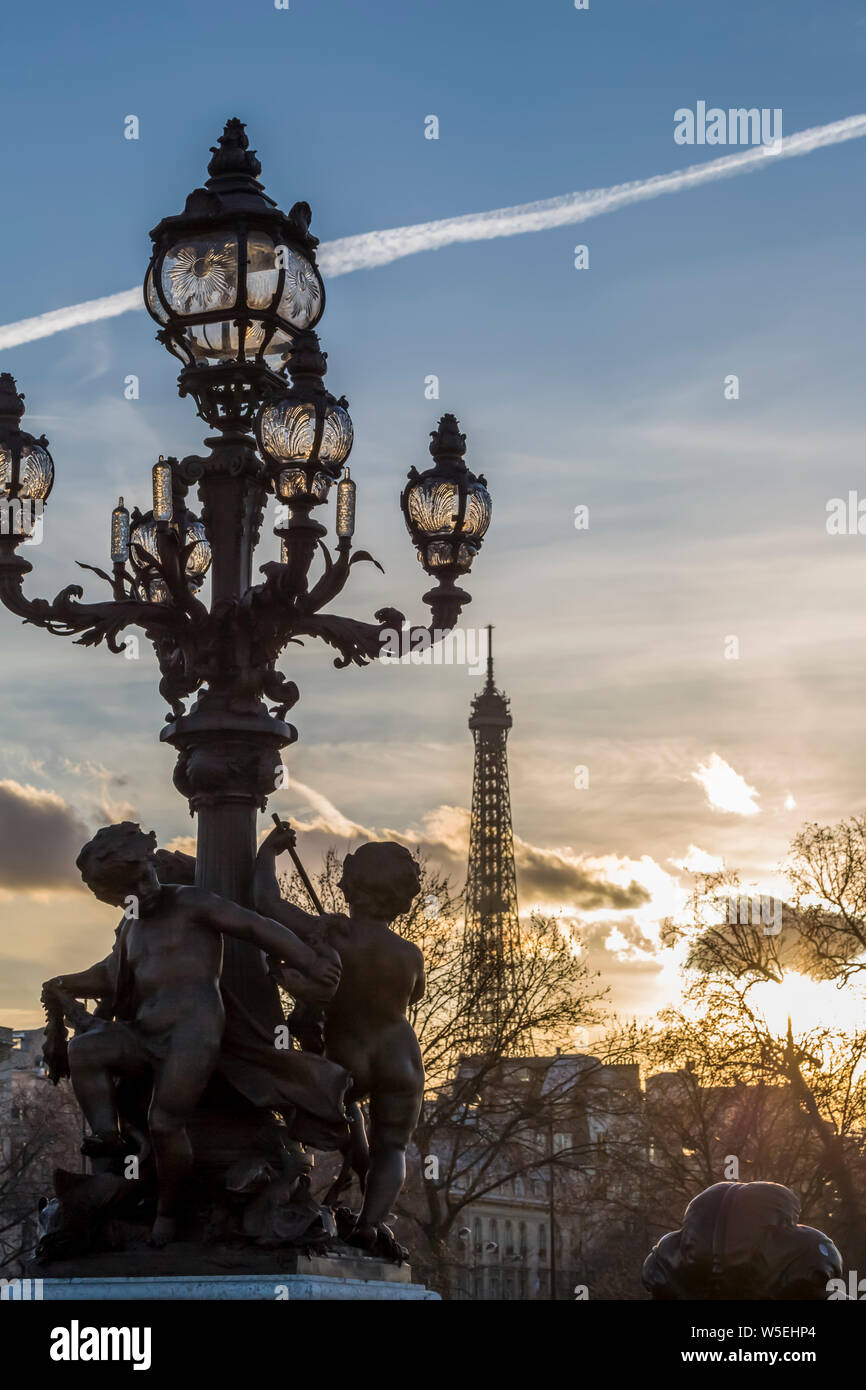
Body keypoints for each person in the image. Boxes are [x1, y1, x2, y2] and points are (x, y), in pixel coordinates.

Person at [44, 821, 344, 1247]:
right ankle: (106, 1137)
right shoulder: (132, 927)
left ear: (153, 865)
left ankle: (167, 1212)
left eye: (148, 876)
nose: (145, 890)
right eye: (132, 890)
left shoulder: (191, 902)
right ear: (114, 899)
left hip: (193, 1037)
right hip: (144, 1032)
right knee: (85, 1048)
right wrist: (65, 983)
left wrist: (308, 961)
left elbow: (255, 927)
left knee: (164, 1123)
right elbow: (111, 974)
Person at [254, 821, 425, 1256]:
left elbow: (266, 903)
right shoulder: (410, 954)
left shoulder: (331, 935)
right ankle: (370, 1225)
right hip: (401, 1056)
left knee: (344, 1107)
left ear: (349, 886)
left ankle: (338, 1167)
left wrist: (268, 853)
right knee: (394, 1148)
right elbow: (416, 993)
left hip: (347, 1052)